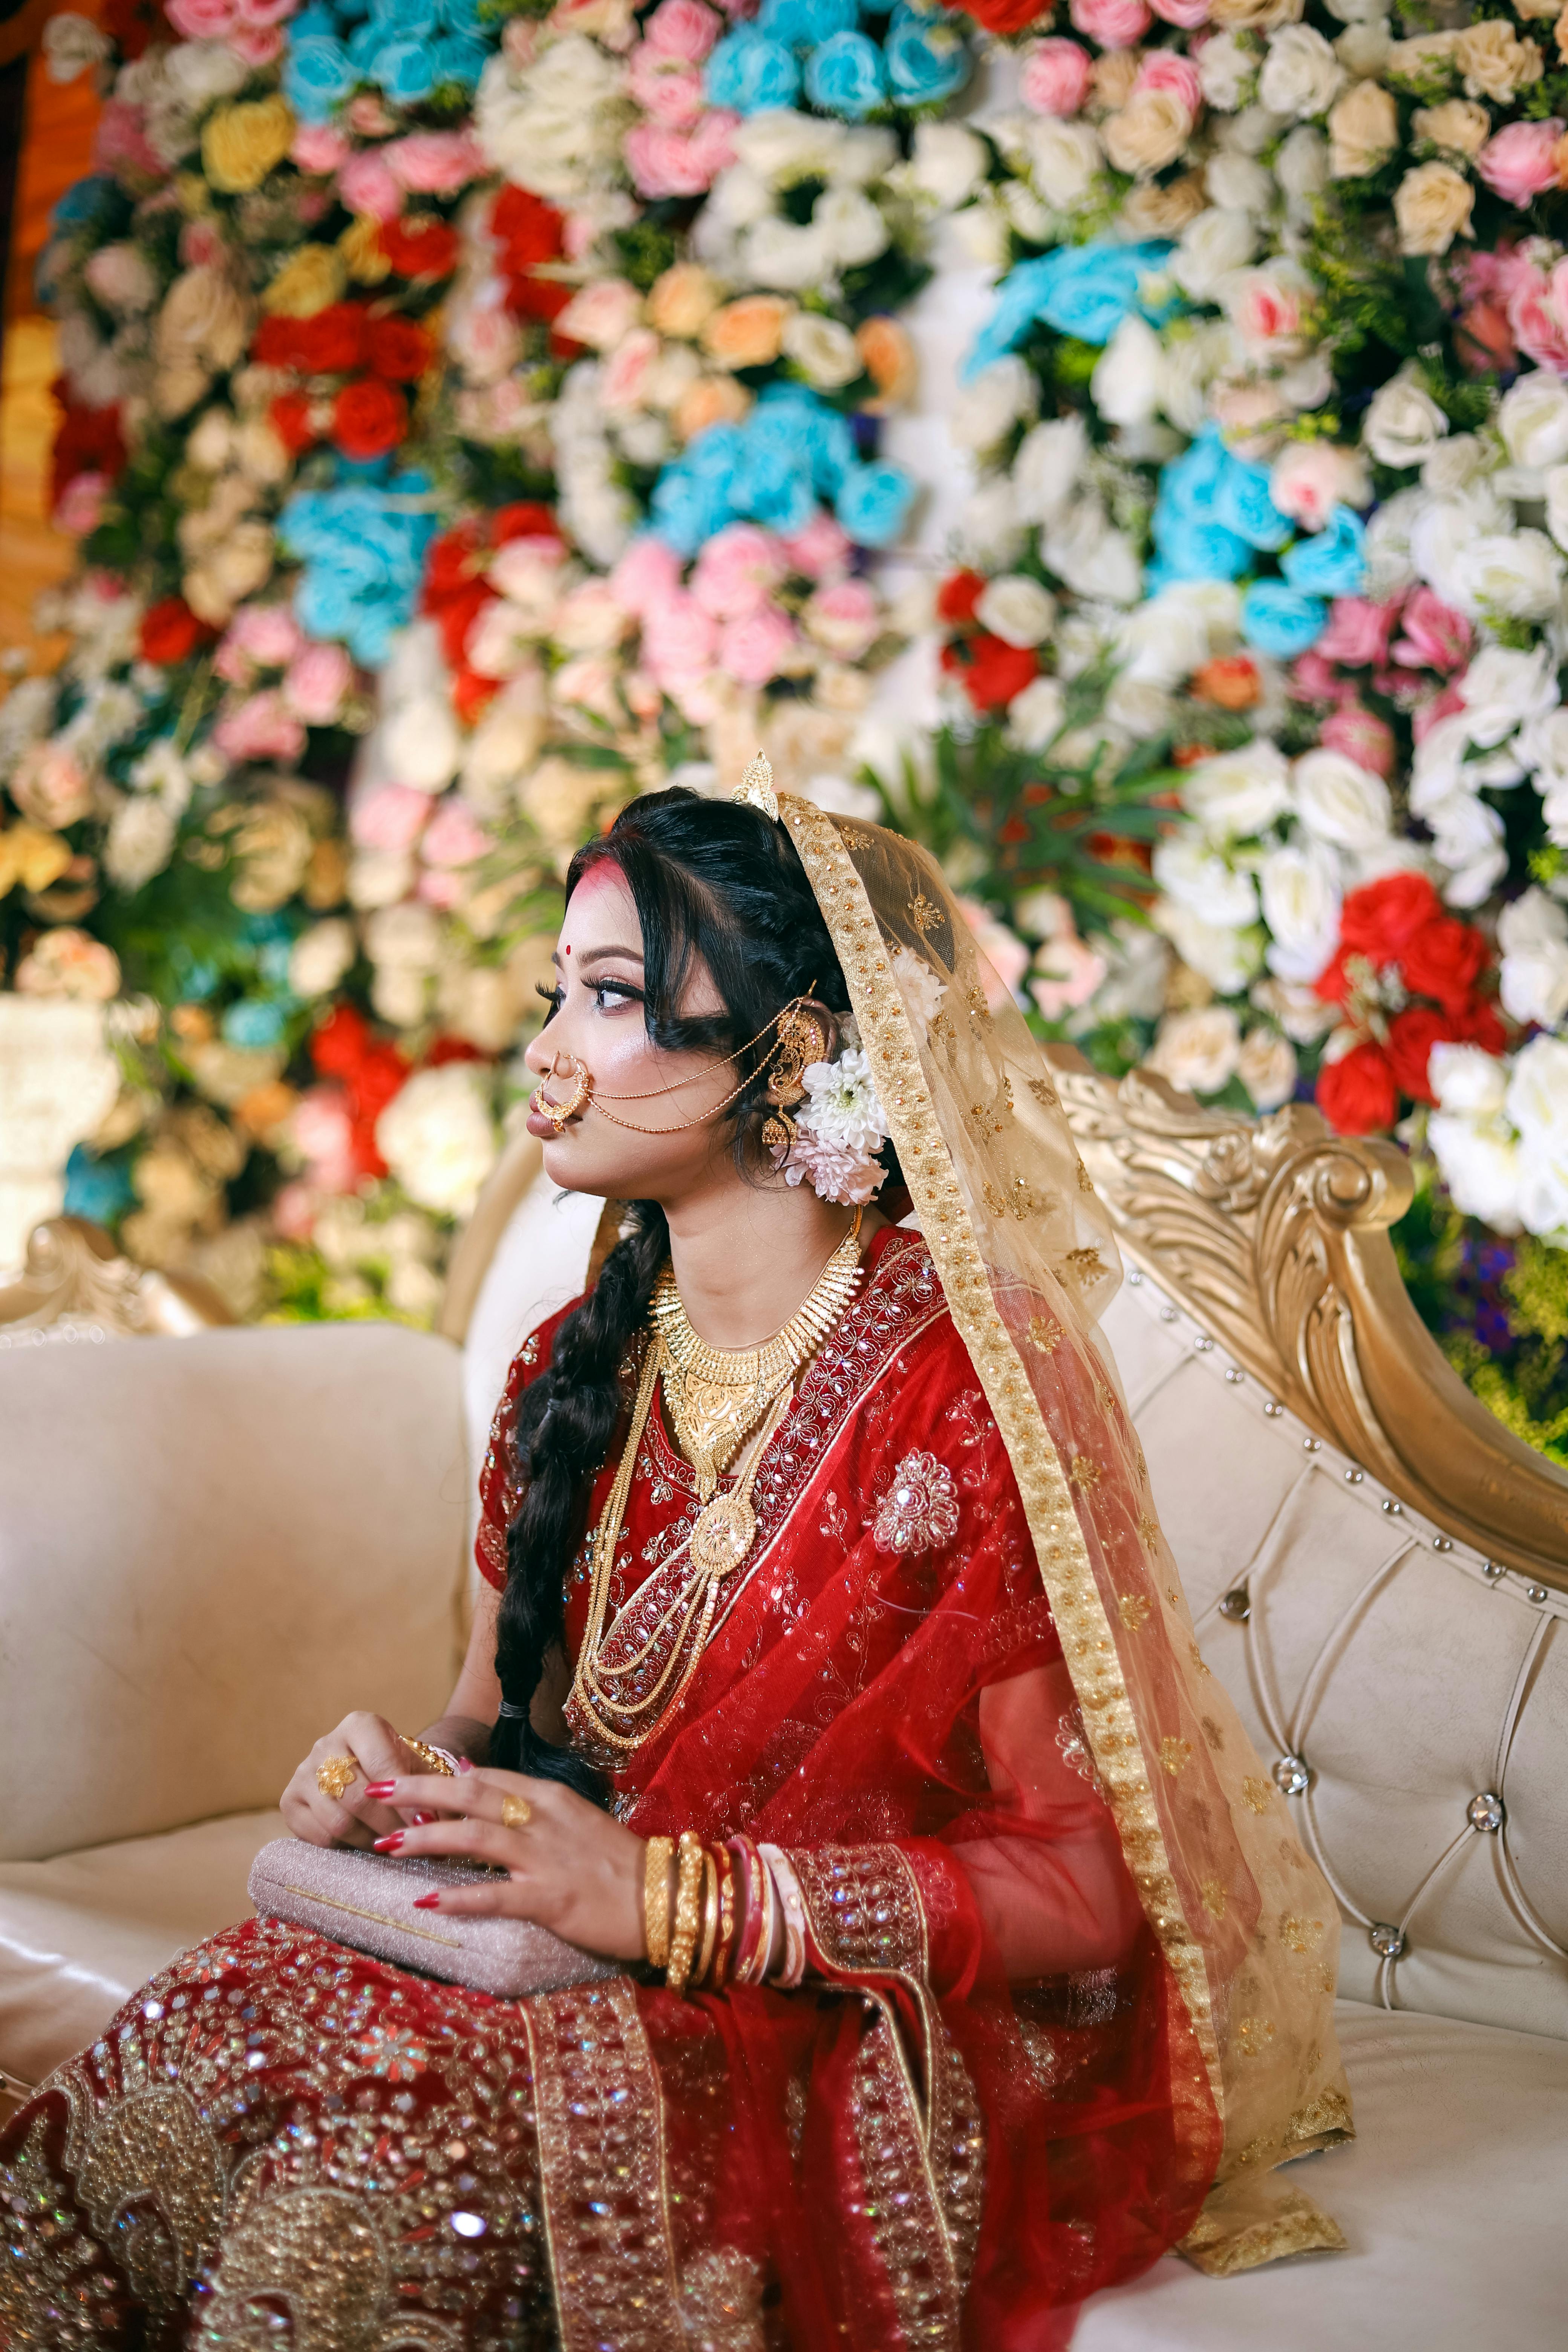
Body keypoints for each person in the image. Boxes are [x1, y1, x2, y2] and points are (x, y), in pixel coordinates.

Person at [0, 773, 1349, 2350]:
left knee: (375, 2174)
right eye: (552, 996)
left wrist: (674, 1902)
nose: (548, 1052)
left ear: (793, 1057)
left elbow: (1082, 1887)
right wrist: (389, 1792)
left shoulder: (964, 1384)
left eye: (614, 998)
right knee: (185, 2045)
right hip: (598, 1944)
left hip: (855, 2008)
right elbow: (502, 1724)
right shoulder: (571, 1369)